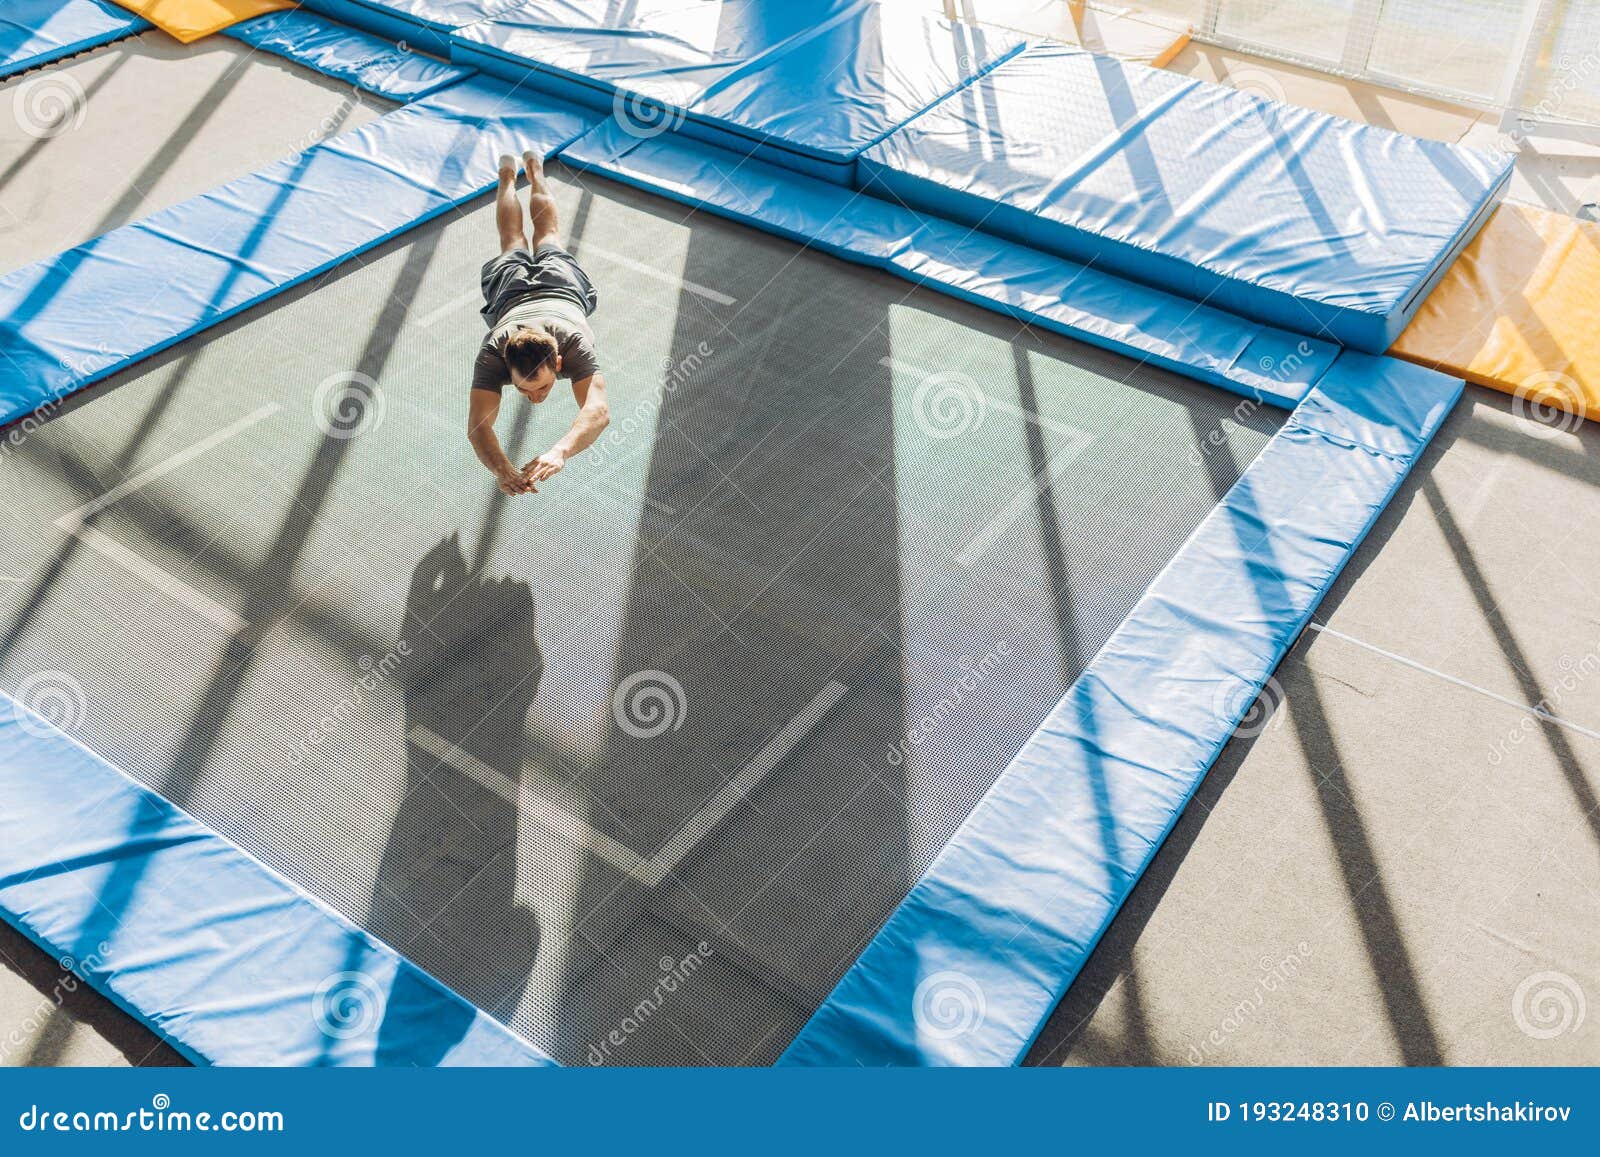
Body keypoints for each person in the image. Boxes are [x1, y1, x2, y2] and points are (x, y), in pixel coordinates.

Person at [468, 150, 608, 496]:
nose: (535, 397)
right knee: (514, 240)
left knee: (546, 234)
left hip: (558, 287)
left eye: (543, 387)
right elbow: (478, 427)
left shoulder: (573, 345)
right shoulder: (492, 355)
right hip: (514, 297)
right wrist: (501, 467)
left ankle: (535, 171)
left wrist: (559, 451)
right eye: (525, 390)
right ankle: (506, 178)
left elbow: (599, 411)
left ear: (559, 363)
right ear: (506, 366)